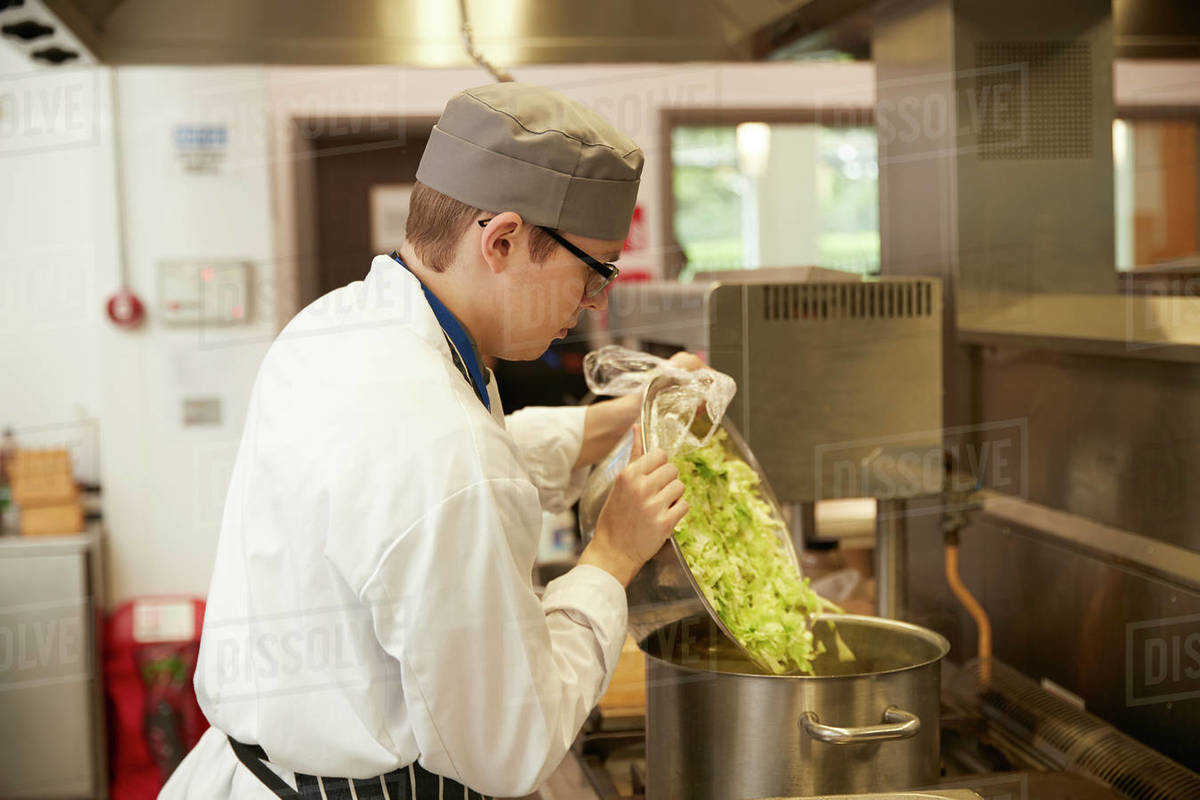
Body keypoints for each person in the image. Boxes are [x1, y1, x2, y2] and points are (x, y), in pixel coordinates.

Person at [161, 82, 699, 799]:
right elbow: (511, 747)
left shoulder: (339, 324)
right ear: (502, 239)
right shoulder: (445, 448)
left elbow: (441, 482)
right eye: (595, 271)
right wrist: (612, 555)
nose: (596, 300)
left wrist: (617, 420)